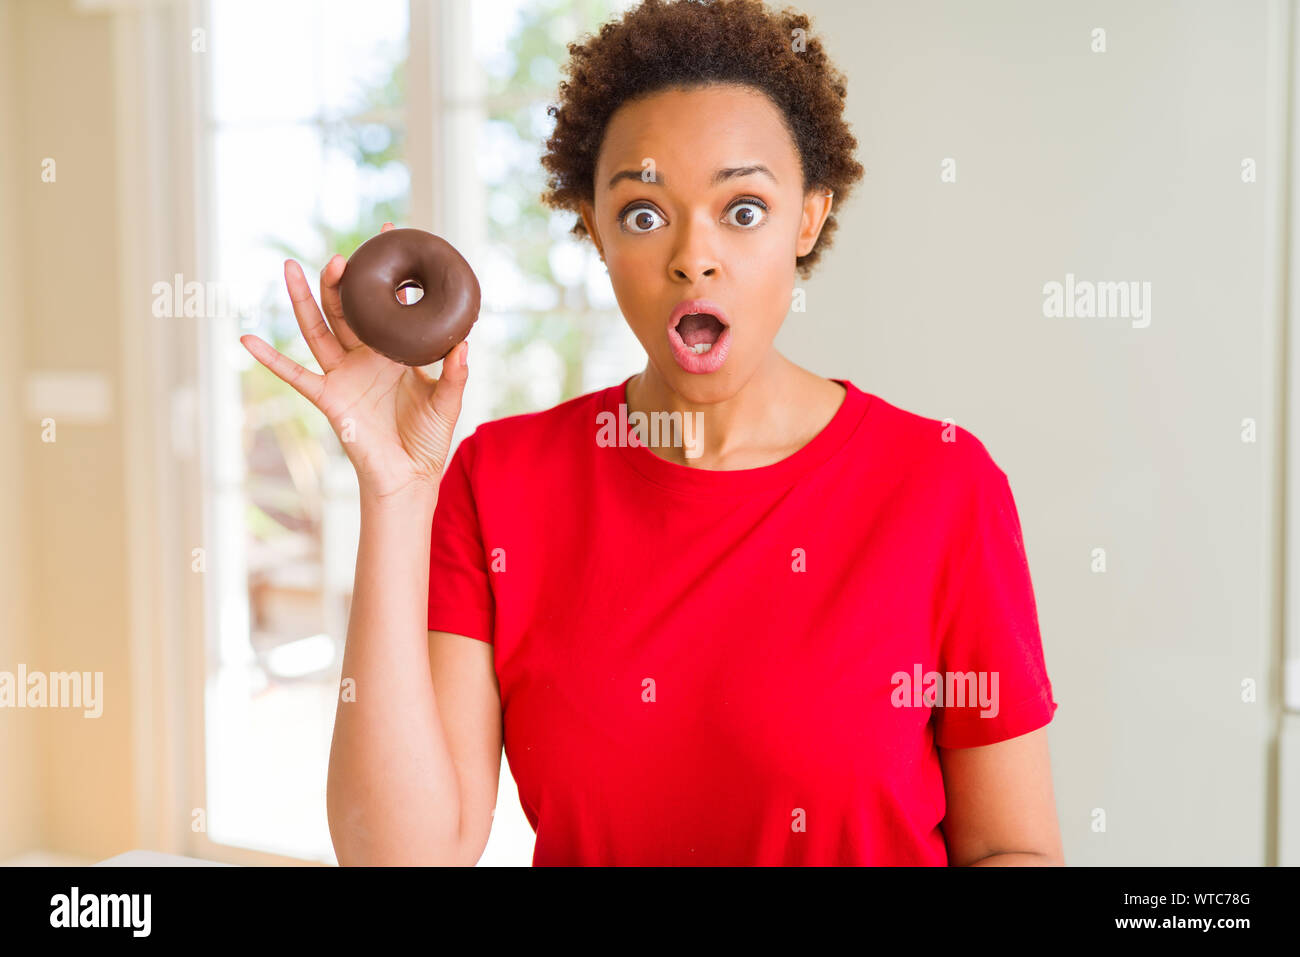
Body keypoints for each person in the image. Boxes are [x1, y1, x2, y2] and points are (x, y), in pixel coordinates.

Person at [241, 0, 1062, 866]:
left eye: (743, 208)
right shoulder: (500, 483)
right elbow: (403, 858)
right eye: (642, 212)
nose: (692, 256)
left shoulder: (940, 484)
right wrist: (397, 493)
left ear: (809, 219)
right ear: (593, 229)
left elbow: (1013, 850)